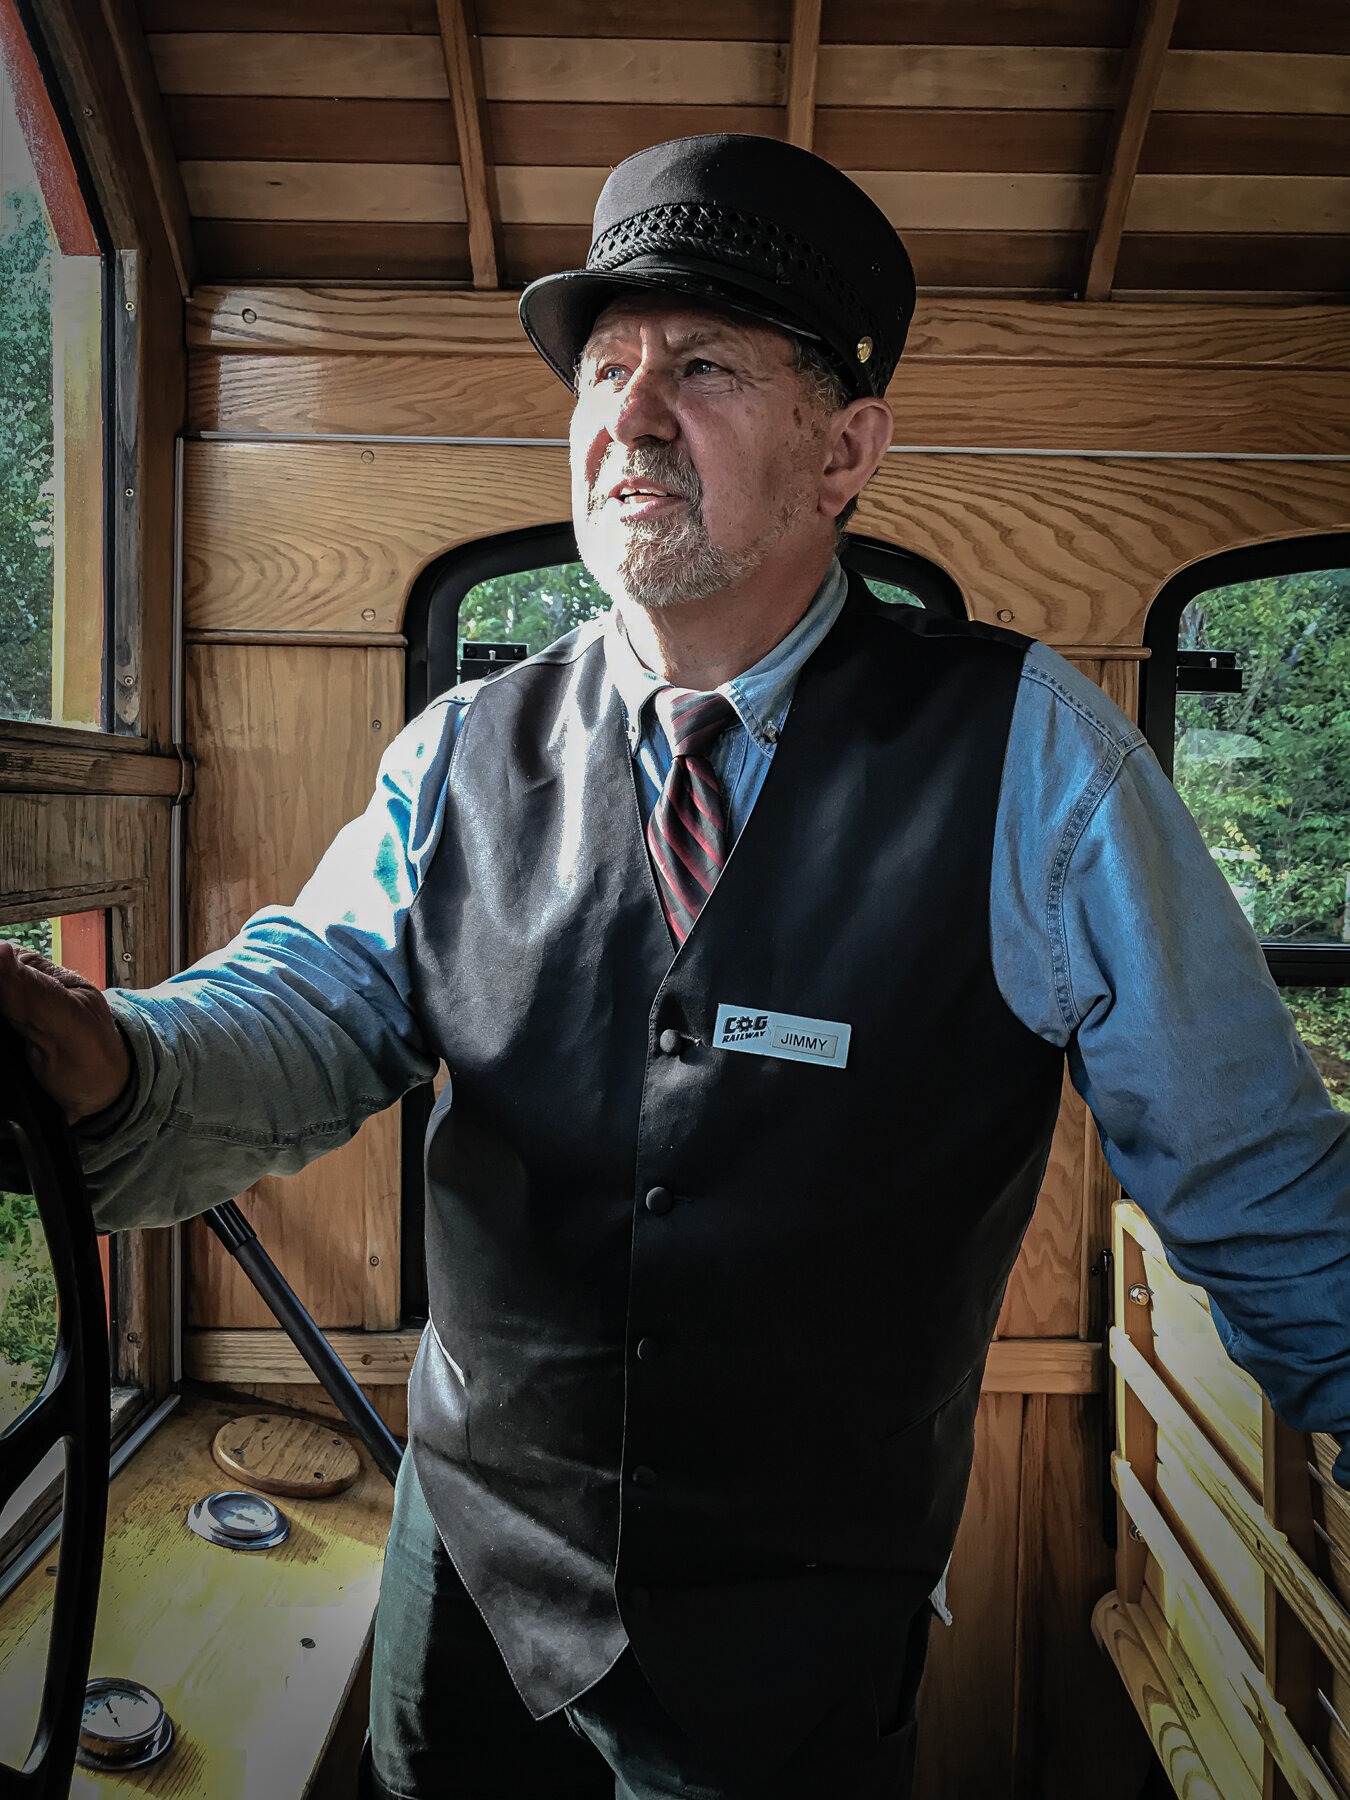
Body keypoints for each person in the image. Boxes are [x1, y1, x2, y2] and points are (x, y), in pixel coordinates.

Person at [1, 134, 1347, 1800]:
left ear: (844, 448)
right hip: (472, 1582)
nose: (628, 415)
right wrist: (104, 1056)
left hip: (795, 1636)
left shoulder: (1038, 766)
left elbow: (1251, 1170)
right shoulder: (458, 752)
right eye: (606, 368)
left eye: (700, 367)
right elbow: (297, 1014)